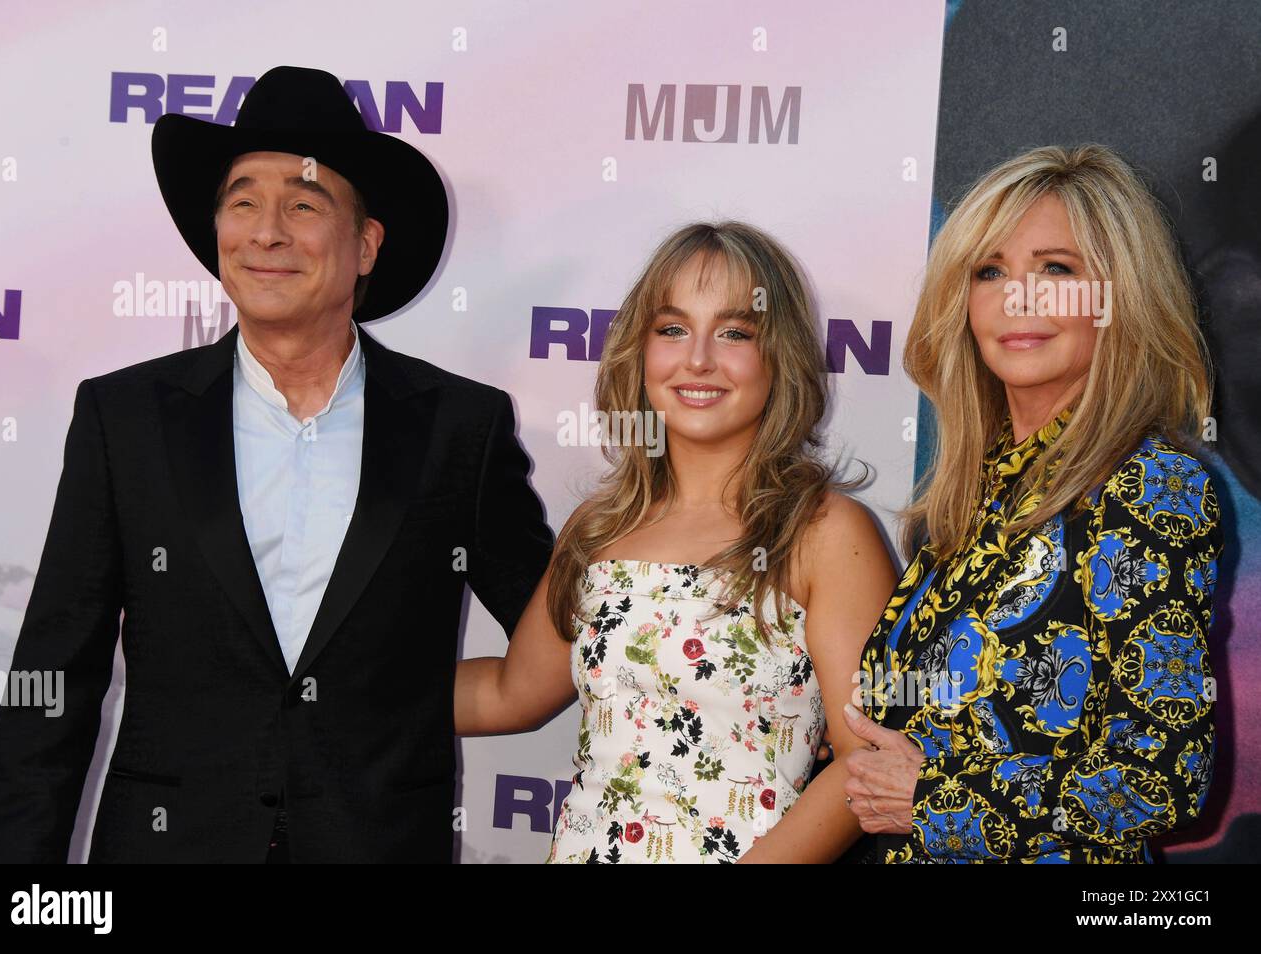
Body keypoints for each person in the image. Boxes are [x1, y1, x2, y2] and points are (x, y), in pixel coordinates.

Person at [0, 66, 553, 863]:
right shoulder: (126, 419)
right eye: (243, 201)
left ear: (366, 245)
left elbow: (562, 631)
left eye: (305, 204)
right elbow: (55, 678)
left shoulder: (460, 428)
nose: (267, 231)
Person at [455, 221, 898, 863]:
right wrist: (321, 690)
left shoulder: (825, 532)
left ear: (782, 355)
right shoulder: (599, 528)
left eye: (735, 332)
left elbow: (864, 760)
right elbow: (507, 693)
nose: (697, 359)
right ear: (638, 352)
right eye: (671, 329)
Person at [844, 144, 1221, 863]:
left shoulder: (1150, 488)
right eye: (990, 271)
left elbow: (1165, 775)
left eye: (1057, 270)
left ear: (1116, 296)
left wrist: (936, 799)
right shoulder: (967, 498)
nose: (1018, 298)